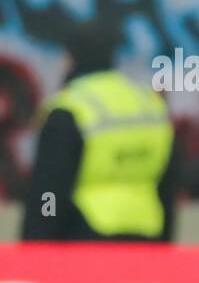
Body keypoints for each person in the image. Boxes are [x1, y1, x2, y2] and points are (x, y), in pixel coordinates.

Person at [22, 27, 177, 242]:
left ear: (71, 59)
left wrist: (38, 243)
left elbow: (49, 192)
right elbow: (167, 186)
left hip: (84, 238)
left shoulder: (70, 109)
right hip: (148, 235)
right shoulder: (150, 106)